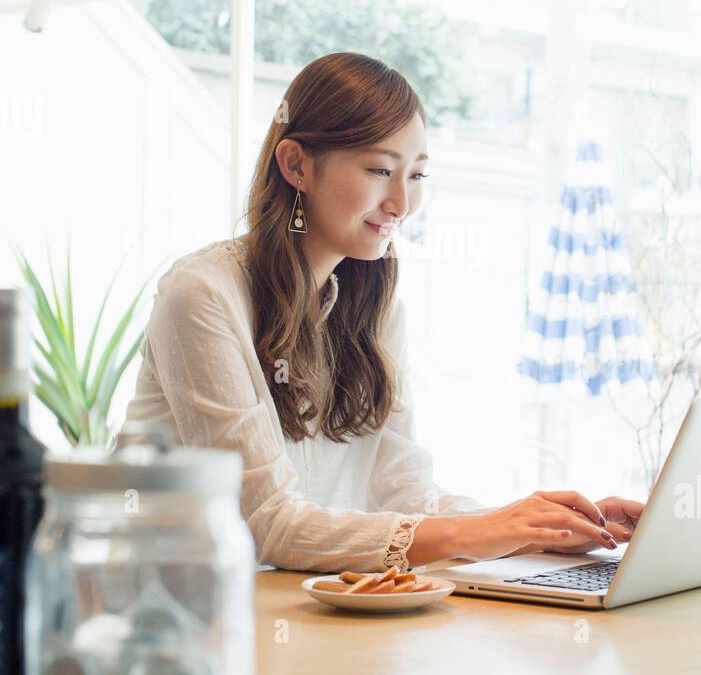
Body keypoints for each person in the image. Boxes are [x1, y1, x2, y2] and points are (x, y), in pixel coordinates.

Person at [123, 51, 644, 573]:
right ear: (296, 165)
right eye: (380, 169)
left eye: (416, 176)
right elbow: (267, 522)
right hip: (170, 620)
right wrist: (485, 532)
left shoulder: (375, 308)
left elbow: (404, 492)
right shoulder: (203, 295)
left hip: (298, 614)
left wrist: (544, 530)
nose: (402, 202)